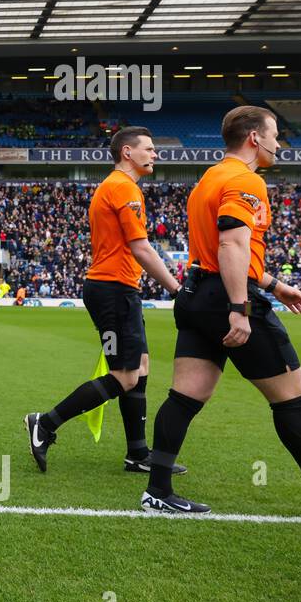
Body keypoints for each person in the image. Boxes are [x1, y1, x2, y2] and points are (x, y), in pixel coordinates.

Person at [141, 106, 301, 514]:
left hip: (197, 294)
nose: (278, 144)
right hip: (227, 299)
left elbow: (225, 253)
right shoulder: (245, 180)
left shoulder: (210, 178)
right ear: (254, 137)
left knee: (185, 396)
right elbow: (231, 246)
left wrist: (274, 284)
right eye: (274, 136)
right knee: (292, 401)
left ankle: (157, 492)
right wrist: (240, 307)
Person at [25, 127, 183, 474]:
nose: (155, 154)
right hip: (112, 292)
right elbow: (140, 248)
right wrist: (176, 288)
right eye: (149, 148)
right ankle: (45, 423)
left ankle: (138, 454)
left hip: (120, 289)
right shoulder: (123, 188)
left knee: (139, 368)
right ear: (127, 152)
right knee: (124, 376)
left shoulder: (118, 187)